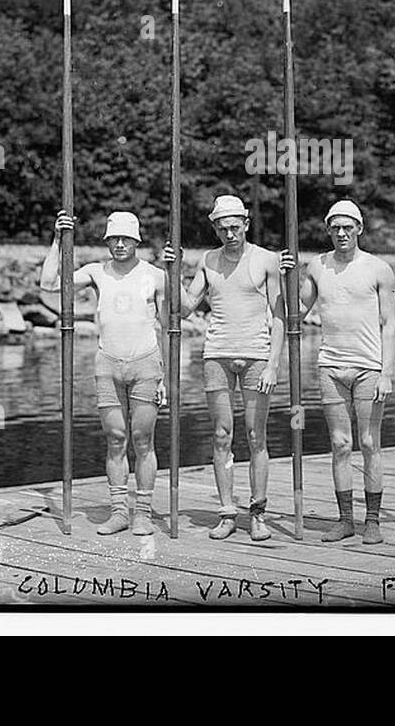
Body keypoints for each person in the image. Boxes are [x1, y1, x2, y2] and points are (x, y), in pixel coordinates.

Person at [164, 194, 284, 541]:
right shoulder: (208, 260)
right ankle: (227, 512)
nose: (230, 233)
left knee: (255, 435)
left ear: (246, 224)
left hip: (256, 356)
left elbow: (279, 316)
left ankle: (258, 512)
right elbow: (185, 308)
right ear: (215, 228)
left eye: (235, 226)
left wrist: (272, 365)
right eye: (223, 227)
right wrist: (173, 271)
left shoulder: (266, 260)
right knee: (221, 435)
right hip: (217, 354)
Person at [41, 210, 167, 537]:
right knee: (115, 439)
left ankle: (142, 513)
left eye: (126, 238)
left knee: (142, 440)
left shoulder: (155, 275)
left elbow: (169, 327)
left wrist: (166, 376)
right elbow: (49, 284)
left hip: (145, 363)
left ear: (137, 240)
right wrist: (57, 239)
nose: (120, 244)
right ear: (107, 241)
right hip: (107, 364)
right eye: (114, 239)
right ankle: (118, 511)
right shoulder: (96, 271)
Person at [286, 200, 395, 544]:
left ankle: (373, 520)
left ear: (359, 229)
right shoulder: (317, 267)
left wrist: (386, 373)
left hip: (368, 367)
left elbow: (390, 324)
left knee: (368, 442)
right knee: (339, 444)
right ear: (328, 230)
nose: (341, 233)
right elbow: (298, 310)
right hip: (330, 366)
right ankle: (346, 519)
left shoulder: (379, 269)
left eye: (348, 227)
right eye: (335, 227)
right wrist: (285, 275)